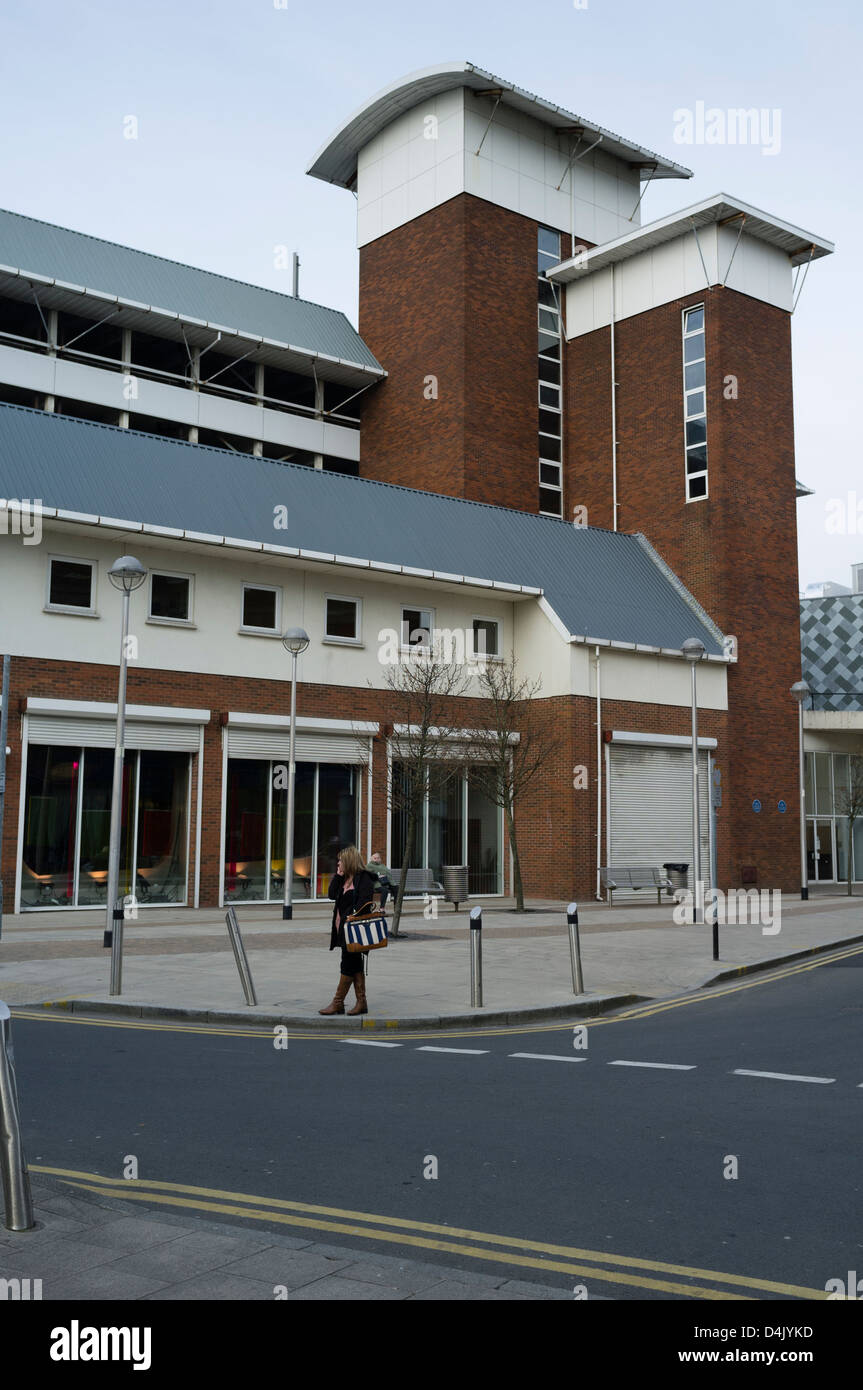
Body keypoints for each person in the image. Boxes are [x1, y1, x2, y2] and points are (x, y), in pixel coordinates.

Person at [319, 845, 380, 1016]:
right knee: (355, 964)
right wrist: (338, 876)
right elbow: (331, 894)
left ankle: (338, 1002)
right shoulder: (344, 878)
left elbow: (364, 903)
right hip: (342, 929)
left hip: (354, 930)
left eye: (341, 861)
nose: (338, 863)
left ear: (349, 862)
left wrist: (349, 917)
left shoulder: (364, 879)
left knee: (347, 963)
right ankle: (361, 1002)